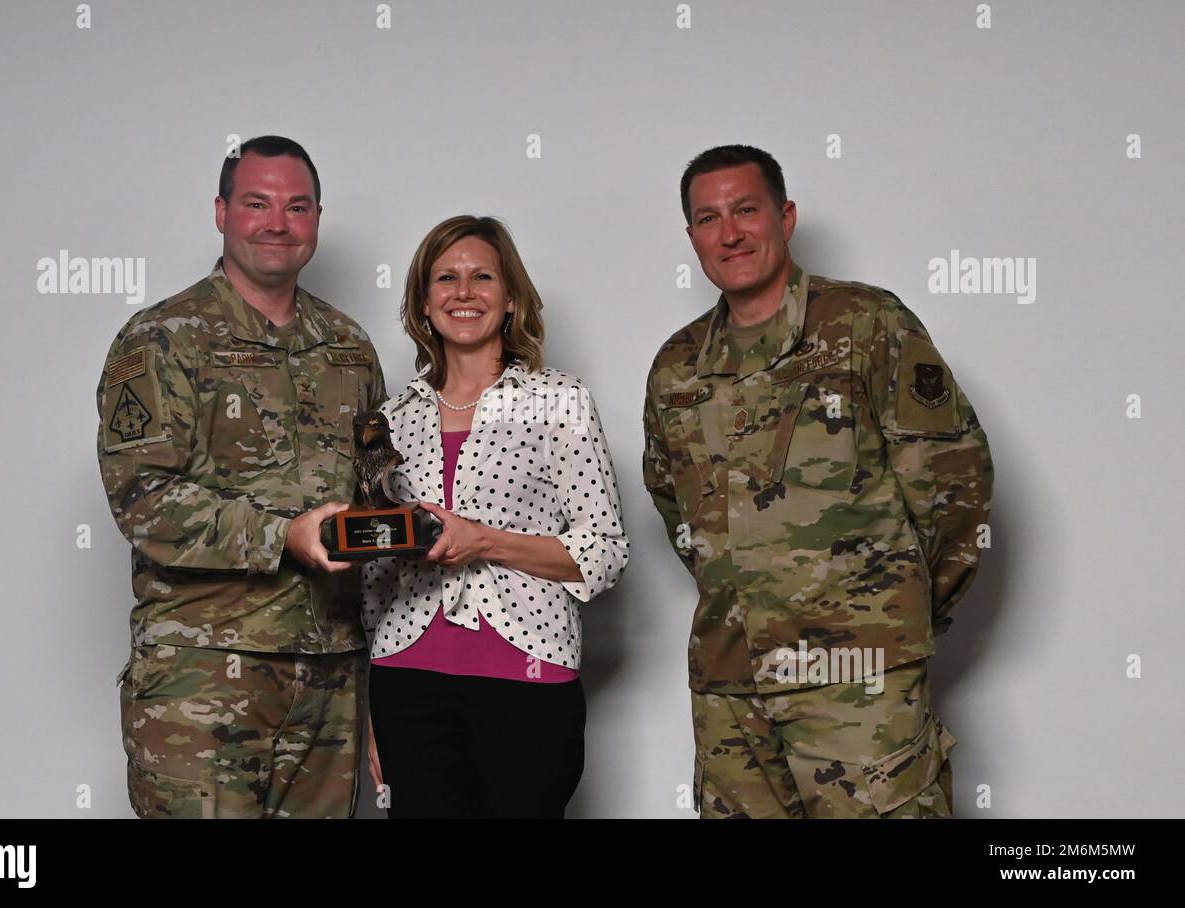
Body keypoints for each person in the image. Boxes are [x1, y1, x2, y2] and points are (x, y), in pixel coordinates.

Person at [643, 145, 993, 818]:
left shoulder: (866, 324)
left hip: (859, 677)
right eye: (709, 218)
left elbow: (955, 487)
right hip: (731, 683)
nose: (730, 233)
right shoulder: (676, 366)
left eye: (746, 209)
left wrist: (899, 614)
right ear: (692, 237)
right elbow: (677, 508)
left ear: (786, 216)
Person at [96, 135, 385, 818]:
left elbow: (373, 492)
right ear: (221, 211)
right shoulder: (162, 338)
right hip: (201, 677)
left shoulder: (350, 347)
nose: (278, 223)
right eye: (257, 203)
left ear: (318, 218)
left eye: (298, 206)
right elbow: (143, 500)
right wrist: (282, 535)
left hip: (329, 675)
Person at [362, 215, 628, 818]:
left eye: (483, 276)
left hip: (525, 676)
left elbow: (605, 549)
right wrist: (372, 709)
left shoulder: (559, 402)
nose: (463, 292)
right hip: (406, 677)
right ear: (423, 303)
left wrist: (483, 541)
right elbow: (375, 574)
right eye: (445, 278)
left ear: (510, 299)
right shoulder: (390, 418)